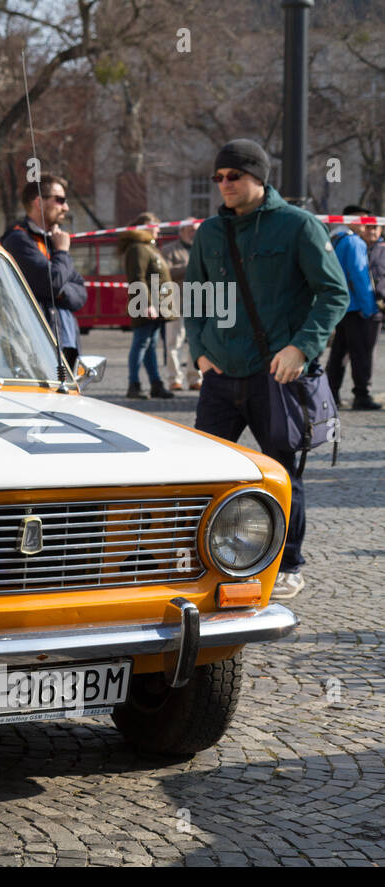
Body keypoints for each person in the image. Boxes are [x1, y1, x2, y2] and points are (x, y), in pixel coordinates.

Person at [184, 139, 349, 601]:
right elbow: (194, 296)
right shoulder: (209, 232)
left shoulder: (299, 226)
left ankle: (289, 563)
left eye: (233, 176)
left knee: (281, 474)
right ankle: (200, 559)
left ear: (259, 177)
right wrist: (199, 351)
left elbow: (334, 294)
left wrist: (302, 347)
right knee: (201, 472)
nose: (224, 185)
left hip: (278, 376)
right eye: (219, 178)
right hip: (220, 376)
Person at [0, 174, 86, 374]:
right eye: (60, 200)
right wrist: (62, 253)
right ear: (39, 202)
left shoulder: (53, 240)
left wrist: (60, 292)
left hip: (66, 342)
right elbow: (53, 281)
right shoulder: (18, 240)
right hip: (34, 346)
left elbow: (81, 293)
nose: (66, 207)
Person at [326, 205, 382, 410]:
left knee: (338, 355)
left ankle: (330, 394)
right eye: (363, 220)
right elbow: (360, 276)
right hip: (357, 308)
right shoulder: (354, 242)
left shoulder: (335, 239)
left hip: (340, 307)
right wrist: (369, 309)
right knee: (361, 354)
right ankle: (362, 395)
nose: (366, 224)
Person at [120, 213, 175, 399]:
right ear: (145, 226)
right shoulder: (138, 248)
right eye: (155, 225)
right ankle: (133, 384)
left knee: (150, 345)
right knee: (141, 343)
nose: (159, 229)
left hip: (157, 305)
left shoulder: (148, 247)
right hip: (146, 304)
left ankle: (155, 384)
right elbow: (138, 277)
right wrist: (146, 303)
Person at [159, 220, 203, 389]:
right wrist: (189, 267)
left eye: (196, 230)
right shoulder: (169, 250)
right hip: (174, 302)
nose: (194, 233)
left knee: (195, 341)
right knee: (173, 343)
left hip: (197, 301)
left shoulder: (201, 248)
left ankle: (195, 378)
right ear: (182, 230)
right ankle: (174, 379)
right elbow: (165, 273)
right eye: (191, 230)